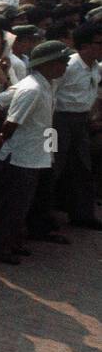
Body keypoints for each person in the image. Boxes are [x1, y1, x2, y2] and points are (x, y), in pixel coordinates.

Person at [0, 42, 73, 263]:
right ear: (49, 64)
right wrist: (1, 138)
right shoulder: (32, 89)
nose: (65, 66)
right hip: (21, 156)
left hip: (34, 155)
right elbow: (12, 122)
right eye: (62, 62)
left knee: (21, 205)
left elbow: (2, 103)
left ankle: (11, 241)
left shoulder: (43, 85)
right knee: (11, 205)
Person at [50, 23, 102, 229]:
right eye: (99, 43)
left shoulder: (95, 67)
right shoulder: (69, 66)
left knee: (82, 167)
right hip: (58, 120)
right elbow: (51, 90)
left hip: (80, 121)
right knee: (51, 165)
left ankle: (82, 214)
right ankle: (41, 215)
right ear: (85, 46)